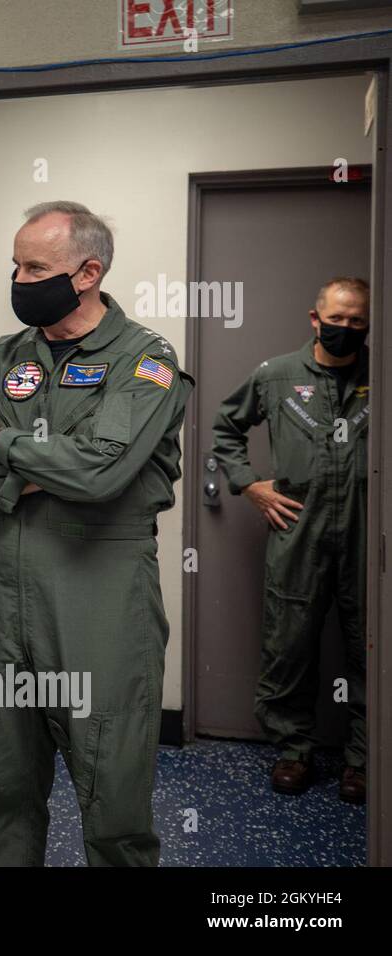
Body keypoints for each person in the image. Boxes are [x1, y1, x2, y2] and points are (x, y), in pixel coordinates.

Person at [0, 200, 194, 866]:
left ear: (88, 272)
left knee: (113, 799)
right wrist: (38, 465)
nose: (19, 280)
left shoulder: (145, 359)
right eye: (15, 266)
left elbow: (102, 471)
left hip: (99, 602)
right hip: (5, 603)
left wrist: (1, 441)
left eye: (35, 267)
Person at [211, 277, 370, 804]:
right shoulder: (276, 375)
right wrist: (250, 485)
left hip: (370, 539)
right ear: (314, 318)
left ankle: (363, 760)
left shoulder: (384, 374)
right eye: (336, 317)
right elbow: (225, 429)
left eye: (356, 321)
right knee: (290, 647)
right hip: (298, 531)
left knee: (371, 648)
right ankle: (294, 750)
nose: (344, 328)